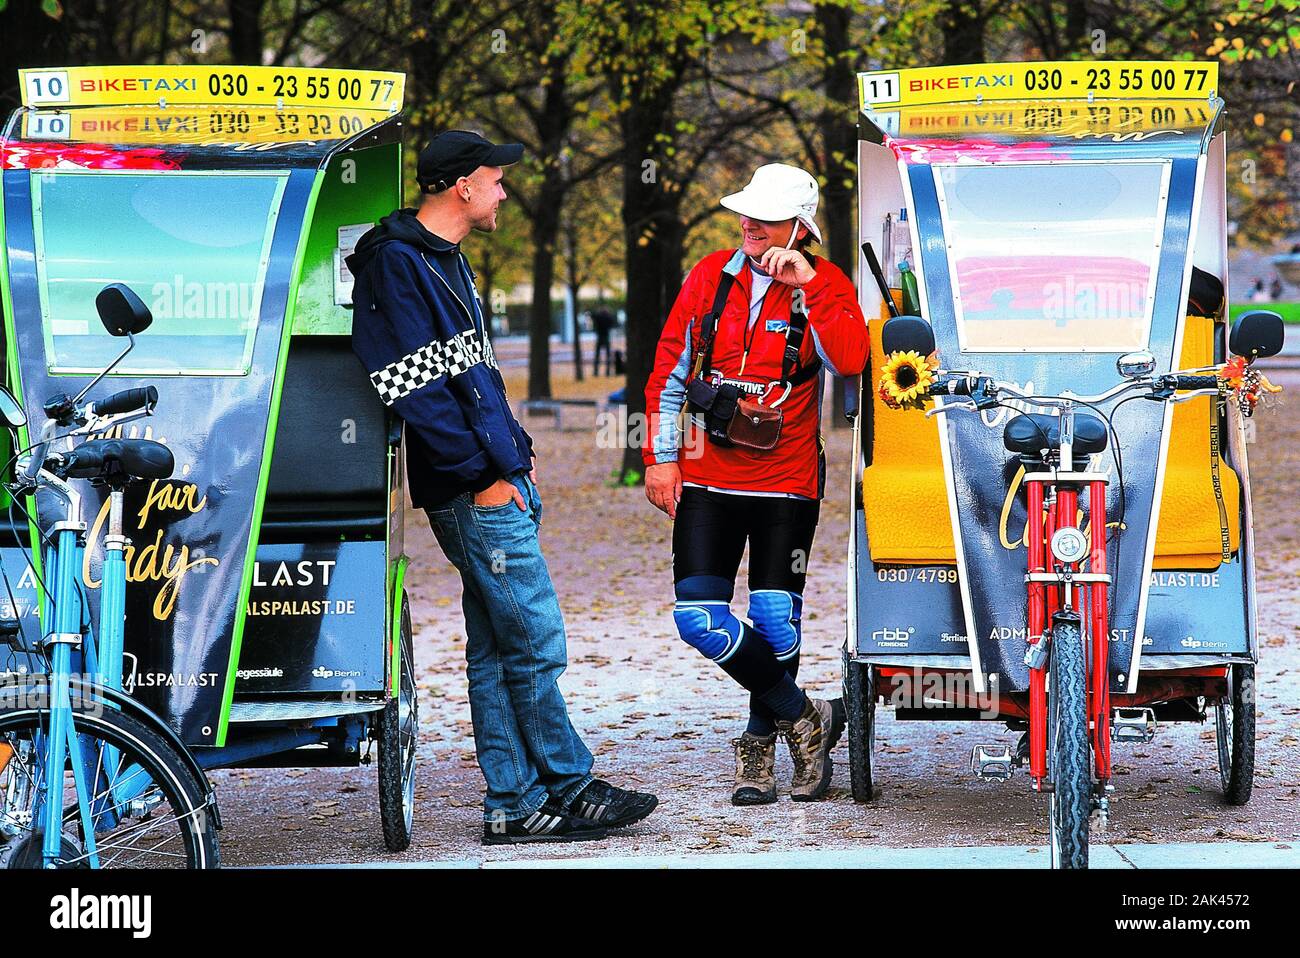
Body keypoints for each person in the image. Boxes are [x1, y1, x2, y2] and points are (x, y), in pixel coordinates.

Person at [348, 130, 657, 844]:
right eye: (495, 180)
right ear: (461, 186)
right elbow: (410, 390)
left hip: (495, 478)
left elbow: (473, 377)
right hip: (473, 491)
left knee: (496, 646)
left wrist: (516, 454)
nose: (504, 192)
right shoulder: (397, 265)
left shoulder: (443, 260)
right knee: (537, 639)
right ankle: (570, 787)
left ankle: (513, 803)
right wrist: (486, 476)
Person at [643, 164, 869, 804]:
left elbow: (851, 360)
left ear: (798, 229)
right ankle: (805, 715)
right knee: (698, 620)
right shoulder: (709, 276)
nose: (748, 224)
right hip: (709, 477)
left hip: (788, 480)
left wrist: (810, 288)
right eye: (745, 213)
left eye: (765, 218)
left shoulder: (826, 284)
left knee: (774, 615)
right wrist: (661, 457)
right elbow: (669, 368)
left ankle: (757, 746)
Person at [591, 306, 617, 376]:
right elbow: (612, 323)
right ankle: (607, 372)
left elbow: (593, 316)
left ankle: (595, 372)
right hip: (606, 337)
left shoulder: (598, 317)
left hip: (599, 337)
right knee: (608, 355)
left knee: (597, 355)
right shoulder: (608, 318)